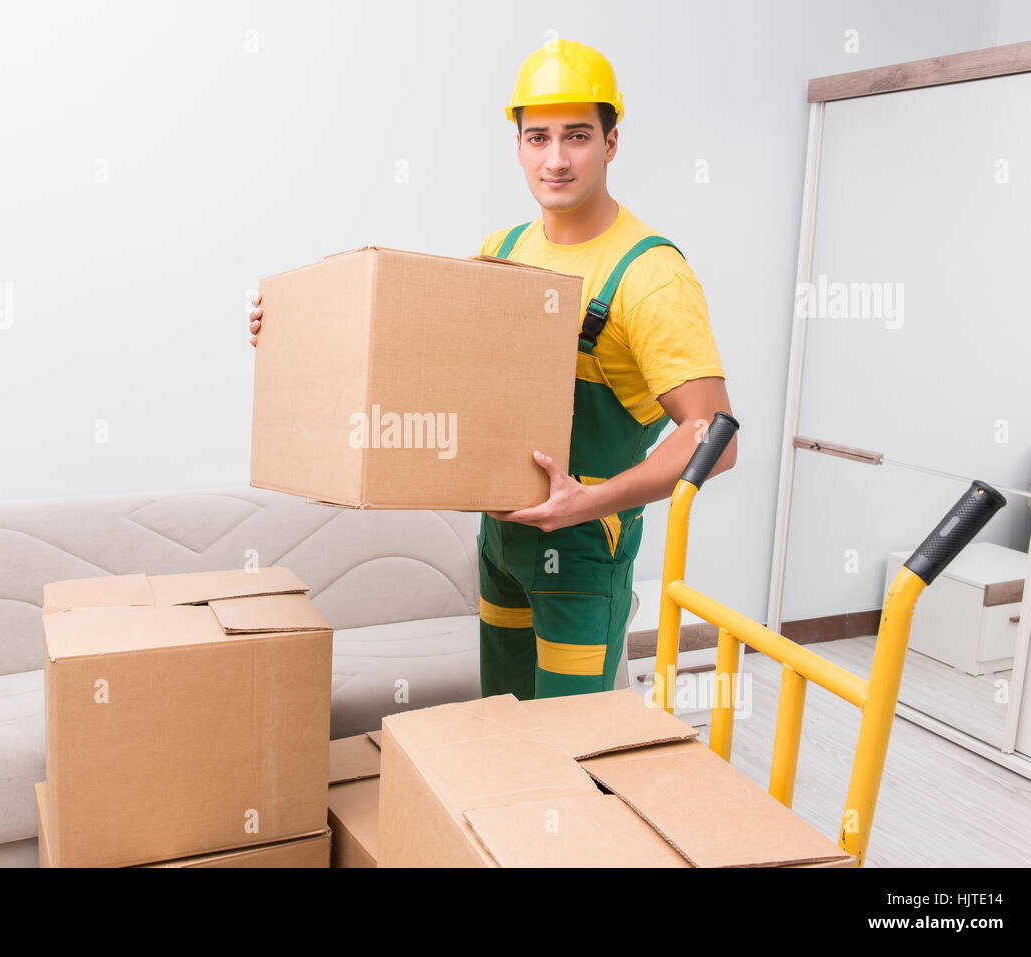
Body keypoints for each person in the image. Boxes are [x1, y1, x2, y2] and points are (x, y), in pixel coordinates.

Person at [248, 38, 736, 702]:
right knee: (504, 730)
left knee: (567, 748)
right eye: (538, 137)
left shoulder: (649, 274)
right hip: (501, 542)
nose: (556, 158)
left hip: (585, 547)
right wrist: (298, 336)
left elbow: (716, 436)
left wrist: (584, 502)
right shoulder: (501, 250)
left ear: (612, 142)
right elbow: (432, 369)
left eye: (577, 136)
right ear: (518, 145)